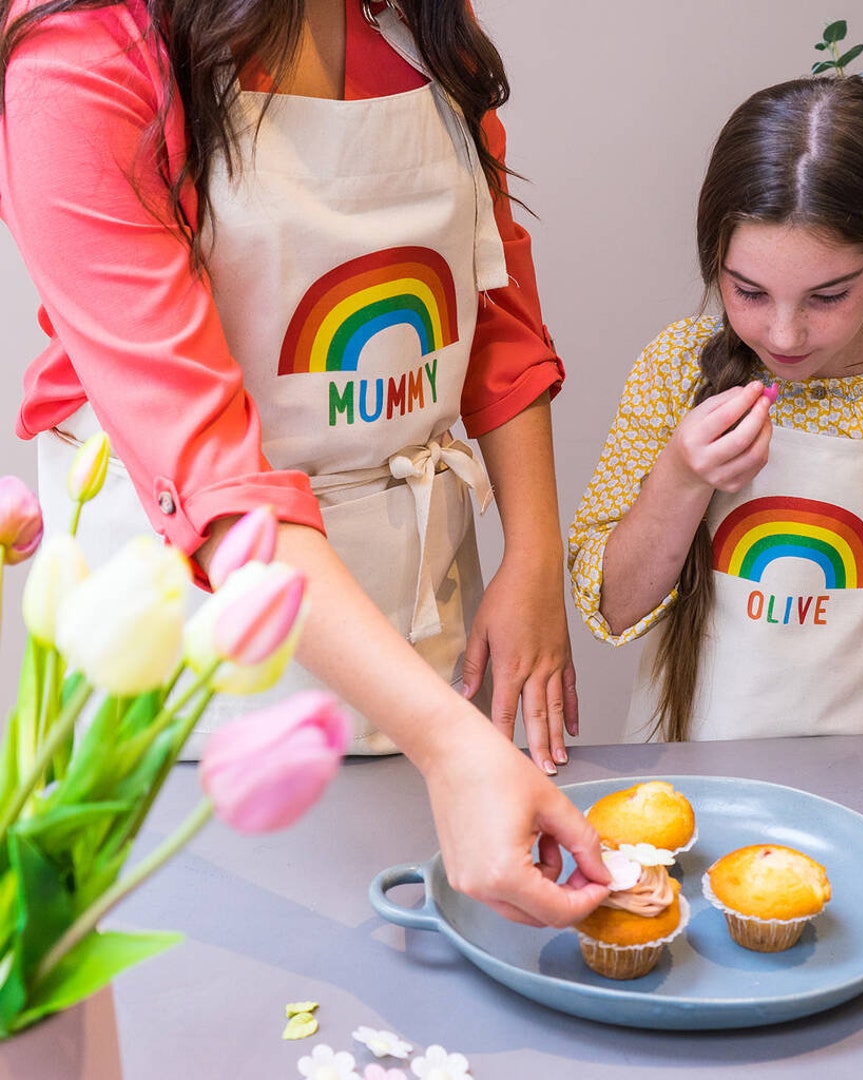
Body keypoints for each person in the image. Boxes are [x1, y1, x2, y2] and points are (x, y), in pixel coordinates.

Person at [0, 0, 610, 924]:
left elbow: (498, 307)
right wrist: (451, 744)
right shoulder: (79, 53)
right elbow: (217, 480)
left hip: (421, 629)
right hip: (201, 641)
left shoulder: (418, 18)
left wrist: (532, 553)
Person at [569, 75, 863, 812]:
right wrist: (680, 474)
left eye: (827, 296)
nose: (784, 335)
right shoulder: (677, 366)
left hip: (859, 790)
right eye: (749, 292)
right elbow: (611, 606)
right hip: (677, 787)